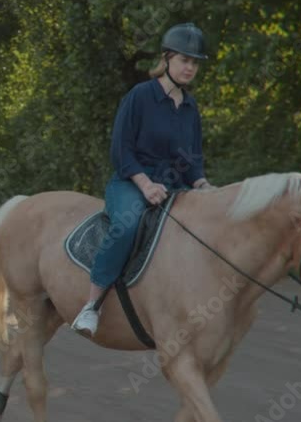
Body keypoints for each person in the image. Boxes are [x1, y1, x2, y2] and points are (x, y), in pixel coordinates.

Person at [71, 22, 214, 337]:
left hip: (174, 187)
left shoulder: (190, 109)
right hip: (131, 182)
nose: (190, 67)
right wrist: (145, 184)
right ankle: (91, 306)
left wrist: (202, 184)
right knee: (128, 224)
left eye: (194, 63)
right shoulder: (140, 96)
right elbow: (120, 150)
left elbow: (193, 159)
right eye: (184, 60)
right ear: (166, 59)